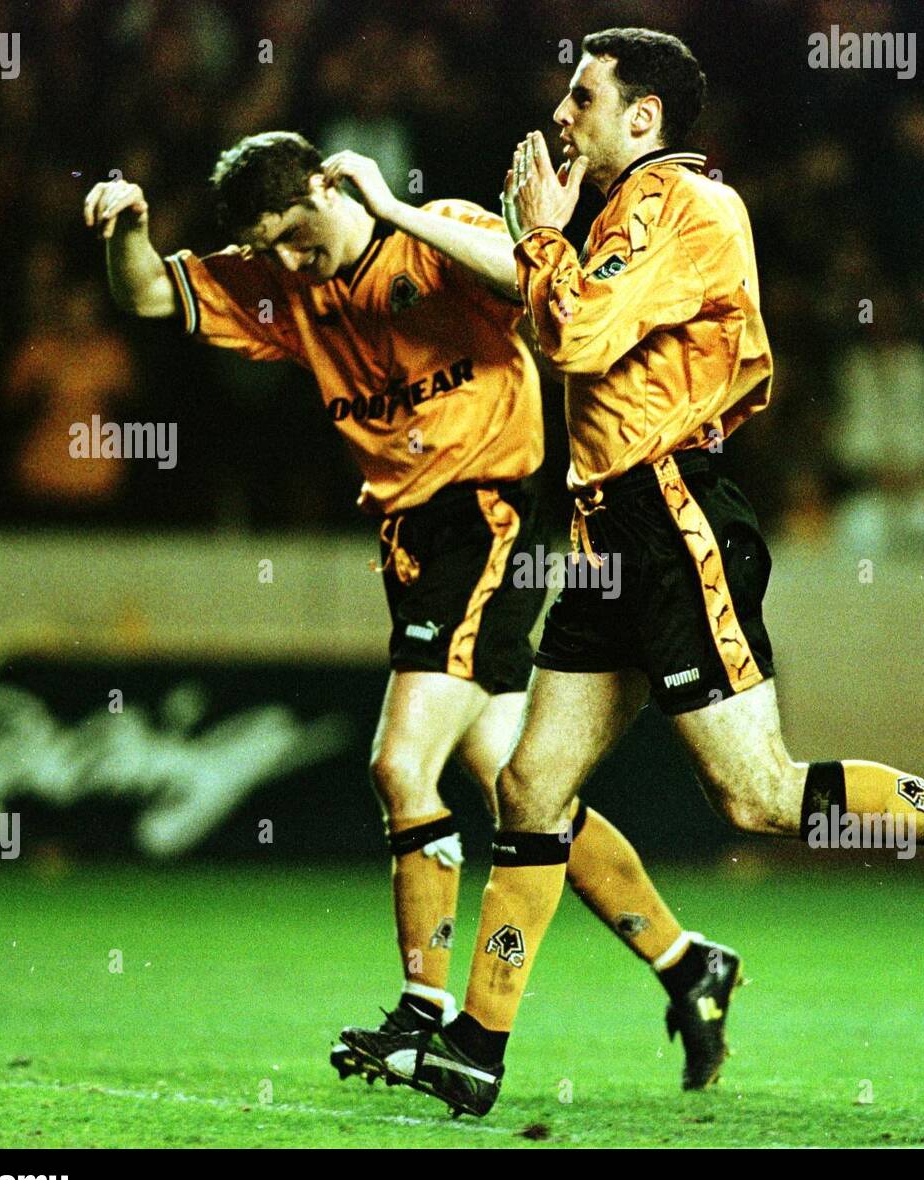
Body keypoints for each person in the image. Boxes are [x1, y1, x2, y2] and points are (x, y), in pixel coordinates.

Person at [335, 27, 924, 1118]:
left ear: (641, 118)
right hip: (611, 526)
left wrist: (542, 236)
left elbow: (576, 334)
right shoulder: (614, 217)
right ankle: (476, 1042)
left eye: (583, 96)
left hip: (671, 517)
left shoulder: (685, 206)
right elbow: (550, 294)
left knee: (757, 794)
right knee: (530, 785)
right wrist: (478, 230)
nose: (564, 115)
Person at [82, 130, 743, 1092]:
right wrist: (129, 228)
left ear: (328, 184)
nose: (290, 265)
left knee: (399, 762)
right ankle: (689, 963)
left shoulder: (436, 238)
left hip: (491, 515)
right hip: (409, 541)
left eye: (299, 238)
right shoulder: (283, 281)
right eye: (270, 251)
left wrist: (395, 211)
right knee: (521, 784)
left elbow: (537, 291)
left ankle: (422, 1012)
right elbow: (145, 292)